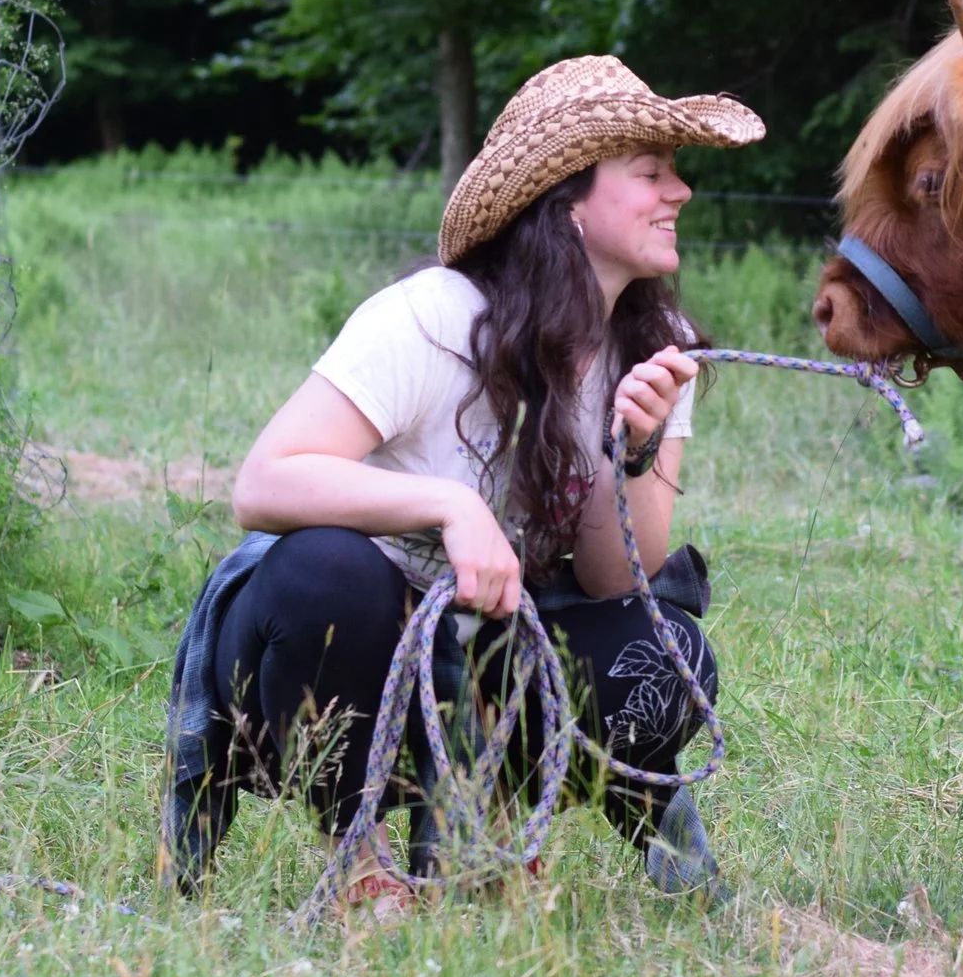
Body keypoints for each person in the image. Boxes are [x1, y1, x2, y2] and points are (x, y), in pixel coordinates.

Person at [161, 55, 763, 907]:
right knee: (325, 572)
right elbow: (264, 482)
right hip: (343, 648)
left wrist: (628, 449)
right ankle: (362, 855)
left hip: (497, 654)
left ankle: (491, 825)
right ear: (569, 205)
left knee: (662, 659)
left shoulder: (655, 341)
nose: (682, 192)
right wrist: (451, 507)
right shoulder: (434, 316)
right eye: (651, 173)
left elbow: (616, 578)